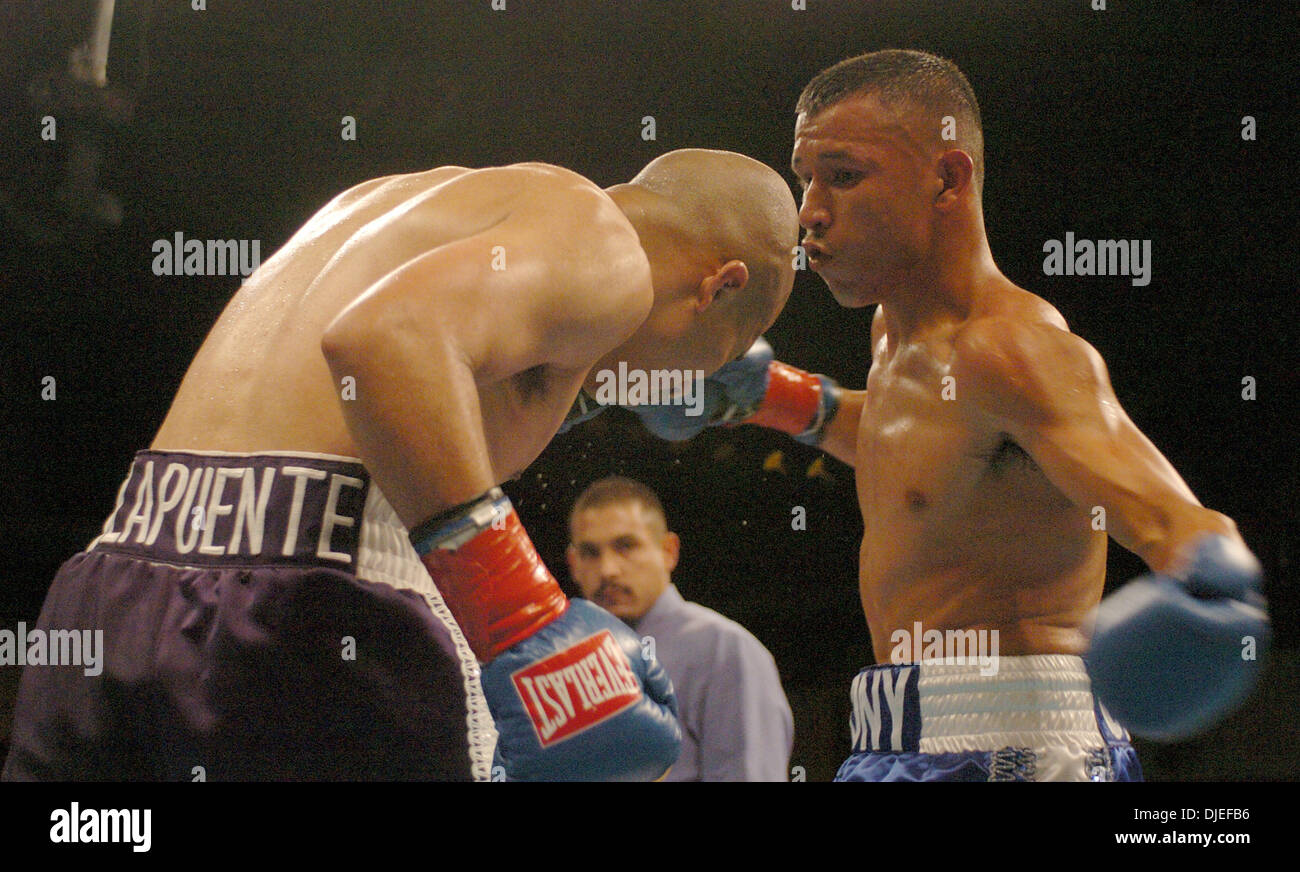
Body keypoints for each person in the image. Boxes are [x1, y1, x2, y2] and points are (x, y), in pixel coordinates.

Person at [2, 149, 804, 782]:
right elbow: (385, 340)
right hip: (313, 599)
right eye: (712, 358)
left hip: (116, 581)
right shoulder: (609, 250)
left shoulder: (398, 202)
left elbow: (381, 386)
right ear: (718, 286)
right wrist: (525, 623)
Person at [779, 49, 1270, 780]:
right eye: (806, 179)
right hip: (892, 734)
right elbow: (916, 452)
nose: (811, 211)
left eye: (844, 177)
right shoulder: (894, 332)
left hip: (1019, 749)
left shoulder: (1011, 350)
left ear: (947, 179)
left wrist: (1211, 585)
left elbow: (1173, 521)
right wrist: (775, 398)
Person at [566, 476, 793, 781]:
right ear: (573, 563)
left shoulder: (724, 649)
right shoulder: (566, 664)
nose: (608, 569)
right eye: (591, 553)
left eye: (626, 546)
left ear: (668, 551)